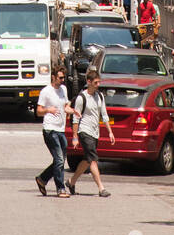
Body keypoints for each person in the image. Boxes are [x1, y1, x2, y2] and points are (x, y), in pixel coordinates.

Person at [67, 68, 114, 197]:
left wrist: (110, 132)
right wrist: (75, 137)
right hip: (84, 131)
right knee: (93, 159)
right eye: (96, 83)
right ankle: (101, 188)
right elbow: (76, 118)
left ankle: (71, 182)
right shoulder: (82, 98)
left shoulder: (100, 96)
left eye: (99, 82)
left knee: (87, 160)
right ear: (89, 82)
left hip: (95, 132)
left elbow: (104, 115)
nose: (98, 85)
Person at [35, 65, 75, 197]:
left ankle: (42, 179)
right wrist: (48, 110)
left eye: (64, 77)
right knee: (59, 159)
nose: (62, 80)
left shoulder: (63, 89)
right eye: (60, 77)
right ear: (53, 77)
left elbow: (65, 106)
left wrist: (72, 111)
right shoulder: (46, 91)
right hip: (50, 129)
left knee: (61, 160)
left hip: (60, 129)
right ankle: (60, 188)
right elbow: (38, 111)